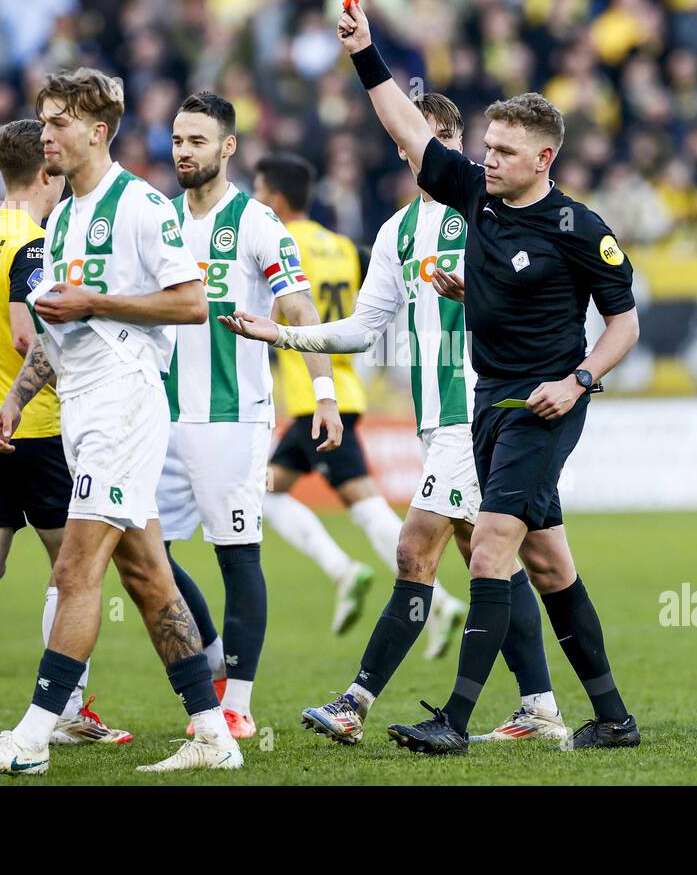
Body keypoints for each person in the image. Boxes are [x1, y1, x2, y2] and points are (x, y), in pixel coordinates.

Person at [335, 2, 643, 754]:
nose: (489, 158)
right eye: (487, 146)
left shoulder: (581, 230)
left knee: (491, 548)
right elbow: (408, 132)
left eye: (505, 150)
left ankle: (455, 721)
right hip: (487, 400)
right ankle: (613, 718)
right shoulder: (476, 196)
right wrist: (366, 54)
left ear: (544, 159)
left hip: (545, 405)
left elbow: (625, 325)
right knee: (549, 563)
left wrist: (578, 380)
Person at [223, 92, 567, 745]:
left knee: (414, 549)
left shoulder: (489, 214)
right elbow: (361, 329)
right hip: (435, 417)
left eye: (434, 136)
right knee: (484, 554)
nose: (419, 147)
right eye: (410, 136)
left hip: (481, 409)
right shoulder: (395, 234)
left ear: (457, 145)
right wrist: (283, 336)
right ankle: (541, 705)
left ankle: (356, 700)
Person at [0, 68, 236, 774]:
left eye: (57, 123)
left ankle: (32, 739)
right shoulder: (65, 218)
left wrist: (96, 302)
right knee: (147, 576)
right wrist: (17, 398)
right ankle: (211, 732)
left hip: (126, 404)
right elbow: (57, 331)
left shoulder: (140, 205)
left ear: (97, 131)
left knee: (76, 570)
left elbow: (192, 303)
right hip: (79, 403)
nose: (45, 135)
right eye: (42, 122)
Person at [156, 91, 343, 740]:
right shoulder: (156, 218)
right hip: (162, 415)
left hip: (234, 417)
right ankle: (209, 655)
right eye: (178, 140)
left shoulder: (258, 222)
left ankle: (235, 701)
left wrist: (323, 394)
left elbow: (298, 309)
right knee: (143, 549)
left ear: (228, 148)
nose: (184, 151)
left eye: (198, 140)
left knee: (237, 556)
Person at [0, 118, 130, 746]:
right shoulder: (36, 243)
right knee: (71, 571)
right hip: (38, 427)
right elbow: (29, 334)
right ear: (48, 171)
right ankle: (68, 710)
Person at [253, 152, 467, 653]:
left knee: (366, 510)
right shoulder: (344, 247)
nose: (256, 202)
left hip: (315, 398)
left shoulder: (276, 246)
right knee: (270, 491)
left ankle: (423, 596)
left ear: (278, 199)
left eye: (260, 193)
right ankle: (389, 585)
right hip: (346, 388)